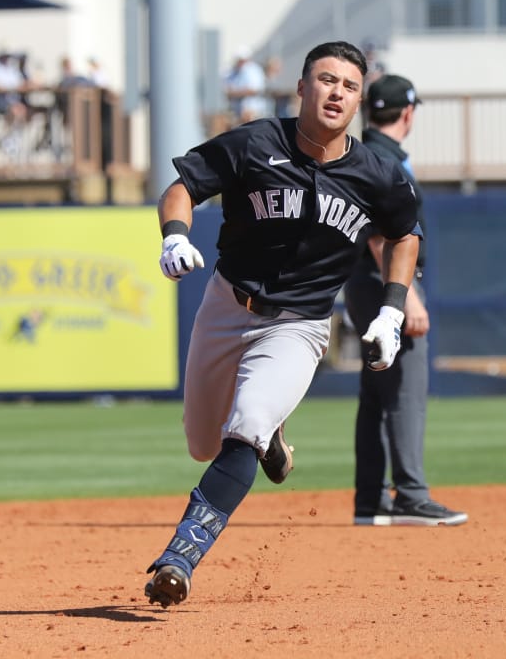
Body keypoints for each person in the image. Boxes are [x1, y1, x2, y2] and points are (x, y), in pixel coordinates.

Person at [142, 40, 423, 609]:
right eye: (325, 80)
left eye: (348, 86)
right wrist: (174, 234)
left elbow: (405, 233)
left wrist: (392, 309)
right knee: (203, 443)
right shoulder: (255, 143)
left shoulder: (376, 172)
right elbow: (182, 187)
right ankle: (267, 434)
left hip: (299, 326)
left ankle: (180, 557)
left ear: (359, 100)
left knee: (241, 429)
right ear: (301, 88)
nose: (335, 93)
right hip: (227, 306)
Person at [343, 73, 466, 528]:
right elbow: (382, 234)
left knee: (377, 390)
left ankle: (372, 499)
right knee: (406, 389)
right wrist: (407, 297)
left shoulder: (367, 153)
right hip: (386, 283)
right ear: (408, 114)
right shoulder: (383, 158)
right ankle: (412, 494)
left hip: (366, 282)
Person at [0, 48, 29, 157]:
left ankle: (11, 138)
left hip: (10, 102)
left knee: (26, 111)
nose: (7, 59)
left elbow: (20, 83)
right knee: (16, 110)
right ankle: (7, 139)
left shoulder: (10, 70)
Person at [223, 46, 271, 126]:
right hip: (237, 113)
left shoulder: (254, 70)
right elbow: (226, 89)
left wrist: (235, 93)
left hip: (253, 112)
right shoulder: (234, 71)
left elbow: (254, 90)